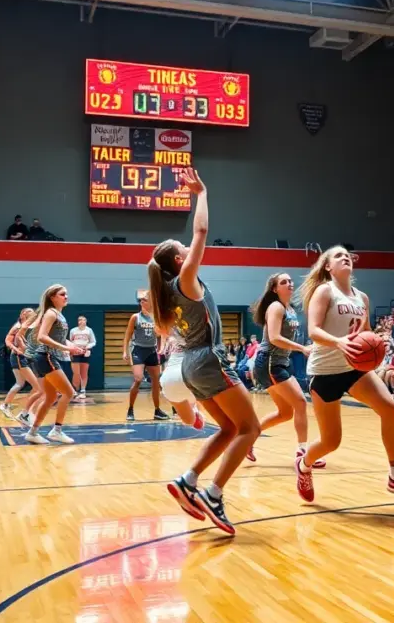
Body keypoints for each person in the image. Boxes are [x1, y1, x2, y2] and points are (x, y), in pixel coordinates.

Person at [153, 169, 259, 536]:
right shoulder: (185, 280)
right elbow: (200, 232)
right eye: (183, 252)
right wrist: (202, 194)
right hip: (208, 360)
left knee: (230, 427)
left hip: (191, 366)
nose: (189, 250)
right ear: (180, 262)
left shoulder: (166, 291)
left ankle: (188, 480)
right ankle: (213, 494)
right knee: (251, 427)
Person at [294, 245, 394, 504]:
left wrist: (378, 343)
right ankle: (304, 465)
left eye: (347, 255)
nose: (345, 257)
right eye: (338, 255)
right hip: (324, 371)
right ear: (327, 266)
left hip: (354, 368)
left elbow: (365, 333)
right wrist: (339, 342)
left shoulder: (362, 298)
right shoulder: (324, 291)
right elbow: (312, 331)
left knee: (389, 406)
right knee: (331, 441)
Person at [247, 272, 323, 467]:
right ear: (275, 289)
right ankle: (303, 453)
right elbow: (274, 337)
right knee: (300, 402)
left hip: (280, 361)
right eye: (284, 282)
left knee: (285, 413)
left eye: (290, 280)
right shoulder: (276, 307)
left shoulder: (290, 308)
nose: (289, 283)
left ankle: (248, 439)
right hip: (270, 362)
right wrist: (302, 348)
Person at [26, 285, 83, 444]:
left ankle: (33, 432)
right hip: (46, 356)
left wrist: (73, 346)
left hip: (45, 357)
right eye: (62, 294)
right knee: (69, 393)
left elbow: (59, 338)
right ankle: (57, 430)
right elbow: (42, 337)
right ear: (52, 297)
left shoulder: (59, 314)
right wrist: (66, 348)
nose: (66, 297)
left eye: (66, 294)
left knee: (51, 397)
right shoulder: (51, 313)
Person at [122, 294, 170, 421]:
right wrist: (125, 351)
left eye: (145, 299)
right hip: (138, 350)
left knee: (156, 380)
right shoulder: (135, 317)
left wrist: (162, 347)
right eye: (141, 300)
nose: (142, 301)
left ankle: (157, 410)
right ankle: (130, 409)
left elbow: (163, 334)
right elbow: (128, 335)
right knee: (138, 379)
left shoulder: (156, 319)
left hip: (152, 351)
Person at [0, 308, 42, 419]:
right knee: (38, 387)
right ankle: (26, 413)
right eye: (28, 311)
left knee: (20, 383)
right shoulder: (18, 326)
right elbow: (8, 340)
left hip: (22, 357)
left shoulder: (30, 326)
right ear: (23, 314)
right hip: (19, 357)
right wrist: (16, 348)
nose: (31, 312)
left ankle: (6, 405)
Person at [69, 316, 96, 400]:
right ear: (77, 322)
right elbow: (70, 341)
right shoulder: (73, 330)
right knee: (76, 373)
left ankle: (83, 391)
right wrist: (72, 350)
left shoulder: (89, 330)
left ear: (86, 321)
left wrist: (88, 347)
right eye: (80, 320)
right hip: (75, 352)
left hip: (85, 352)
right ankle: (75, 390)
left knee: (84, 373)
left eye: (83, 320)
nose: (81, 321)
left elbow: (93, 341)